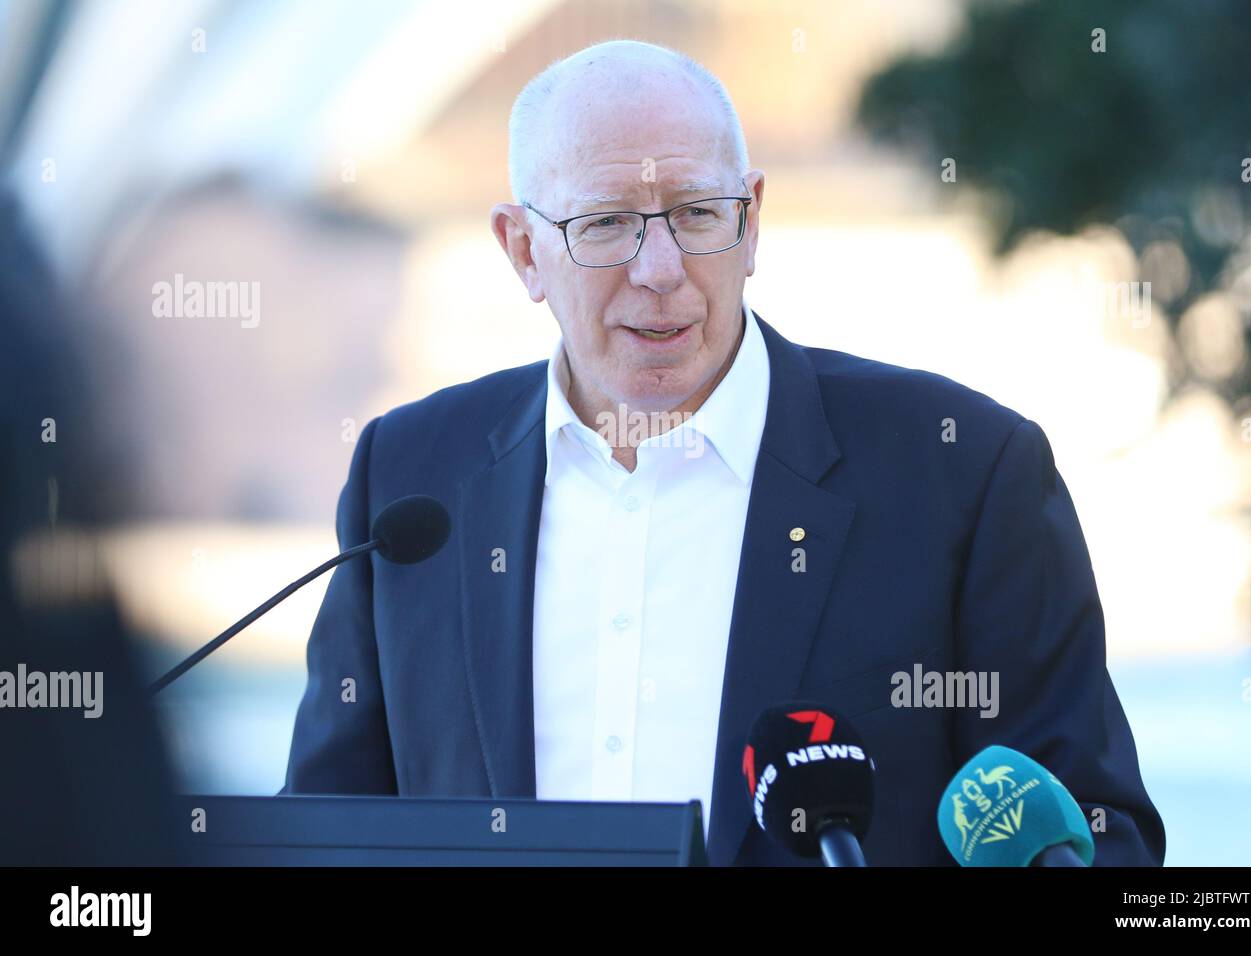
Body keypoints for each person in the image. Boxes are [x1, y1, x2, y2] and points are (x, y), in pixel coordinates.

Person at [283, 39, 1164, 866]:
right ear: (523, 252)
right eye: (606, 224)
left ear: (753, 225)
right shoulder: (408, 482)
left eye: (699, 214)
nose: (661, 267)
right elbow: (324, 831)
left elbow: (1092, 832)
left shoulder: (966, 473)